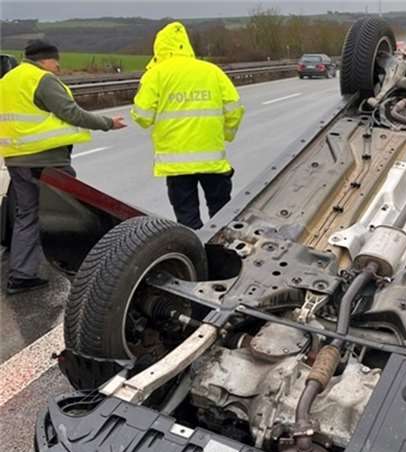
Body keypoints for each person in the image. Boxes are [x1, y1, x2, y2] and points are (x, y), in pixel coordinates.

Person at [0, 40, 126, 294]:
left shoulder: (8, 80)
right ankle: (85, 276)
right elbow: (71, 112)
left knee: (28, 215)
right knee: (69, 216)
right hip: (46, 162)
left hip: (16, 159)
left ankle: (21, 275)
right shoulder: (41, 79)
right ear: (45, 59)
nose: (58, 66)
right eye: (56, 61)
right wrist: (107, 123)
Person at [131, 21, 244, 230]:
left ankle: (199, 257)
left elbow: (142, 116)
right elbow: (234, 109)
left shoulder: (155, 74)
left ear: (160, 47)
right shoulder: (212, 71)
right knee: (223, 216)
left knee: (188, 221)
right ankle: (226, 255)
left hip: (176, 164)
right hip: (213, 160)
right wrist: (225, 134)